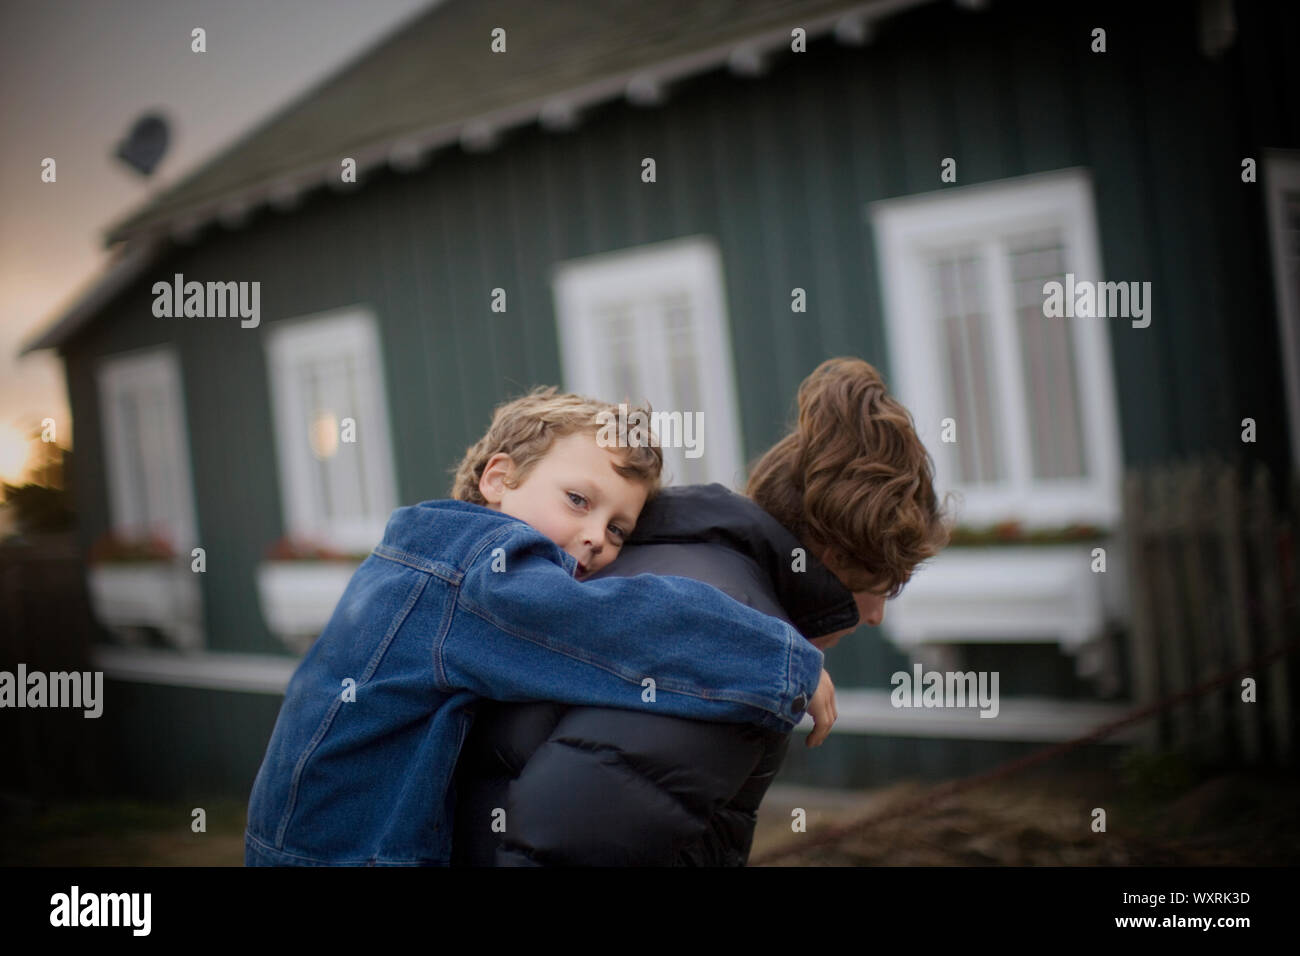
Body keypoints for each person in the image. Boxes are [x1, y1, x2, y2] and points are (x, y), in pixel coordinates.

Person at [244, 387, 833, 866]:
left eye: (620, 529)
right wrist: (783, 661)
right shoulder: (481, 577)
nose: (598, 537)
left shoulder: (424, 550)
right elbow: (616, 628)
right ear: (499, 479)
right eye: (579, 500)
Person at [451, 357, 952, 866]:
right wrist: (777, 662)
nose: (876, 617)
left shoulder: (645, 566)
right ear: (840, 554)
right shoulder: (726, 651)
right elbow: (567, 852)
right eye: (884, 585)